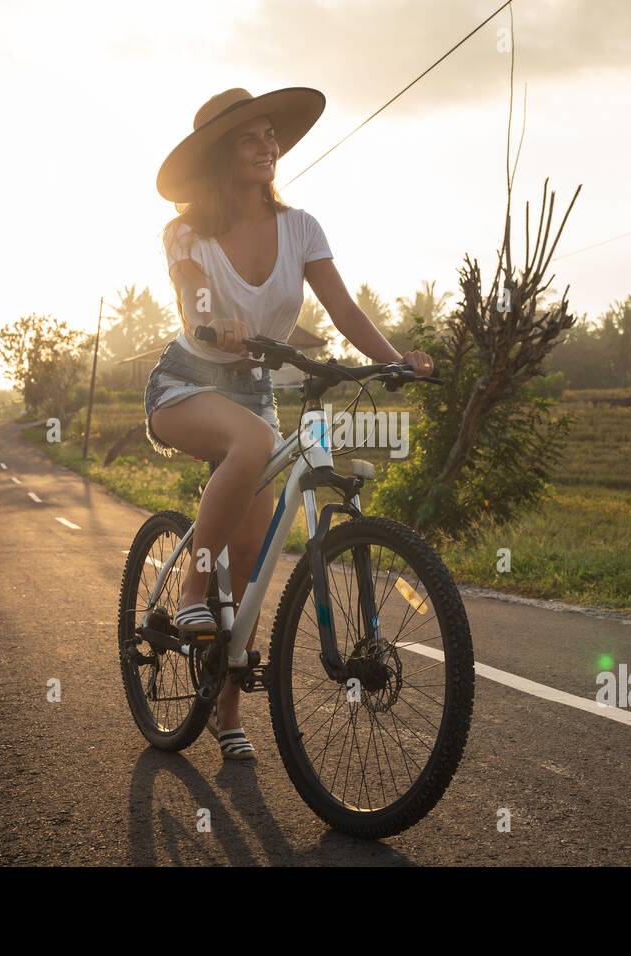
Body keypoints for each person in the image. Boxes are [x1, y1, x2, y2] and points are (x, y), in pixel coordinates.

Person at [146, 87, 434, 759]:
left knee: (250, 557)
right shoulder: (185, 232)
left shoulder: (301, 227)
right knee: (252, 444)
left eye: (271, 135)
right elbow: (194, 304)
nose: (267, 146)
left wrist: (395, 362)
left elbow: (345, 310)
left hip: (254, 393)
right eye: (249, 138)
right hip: (187, 385)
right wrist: (216, 323)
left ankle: (227, 710)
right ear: (221, 154)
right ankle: (191, 588)